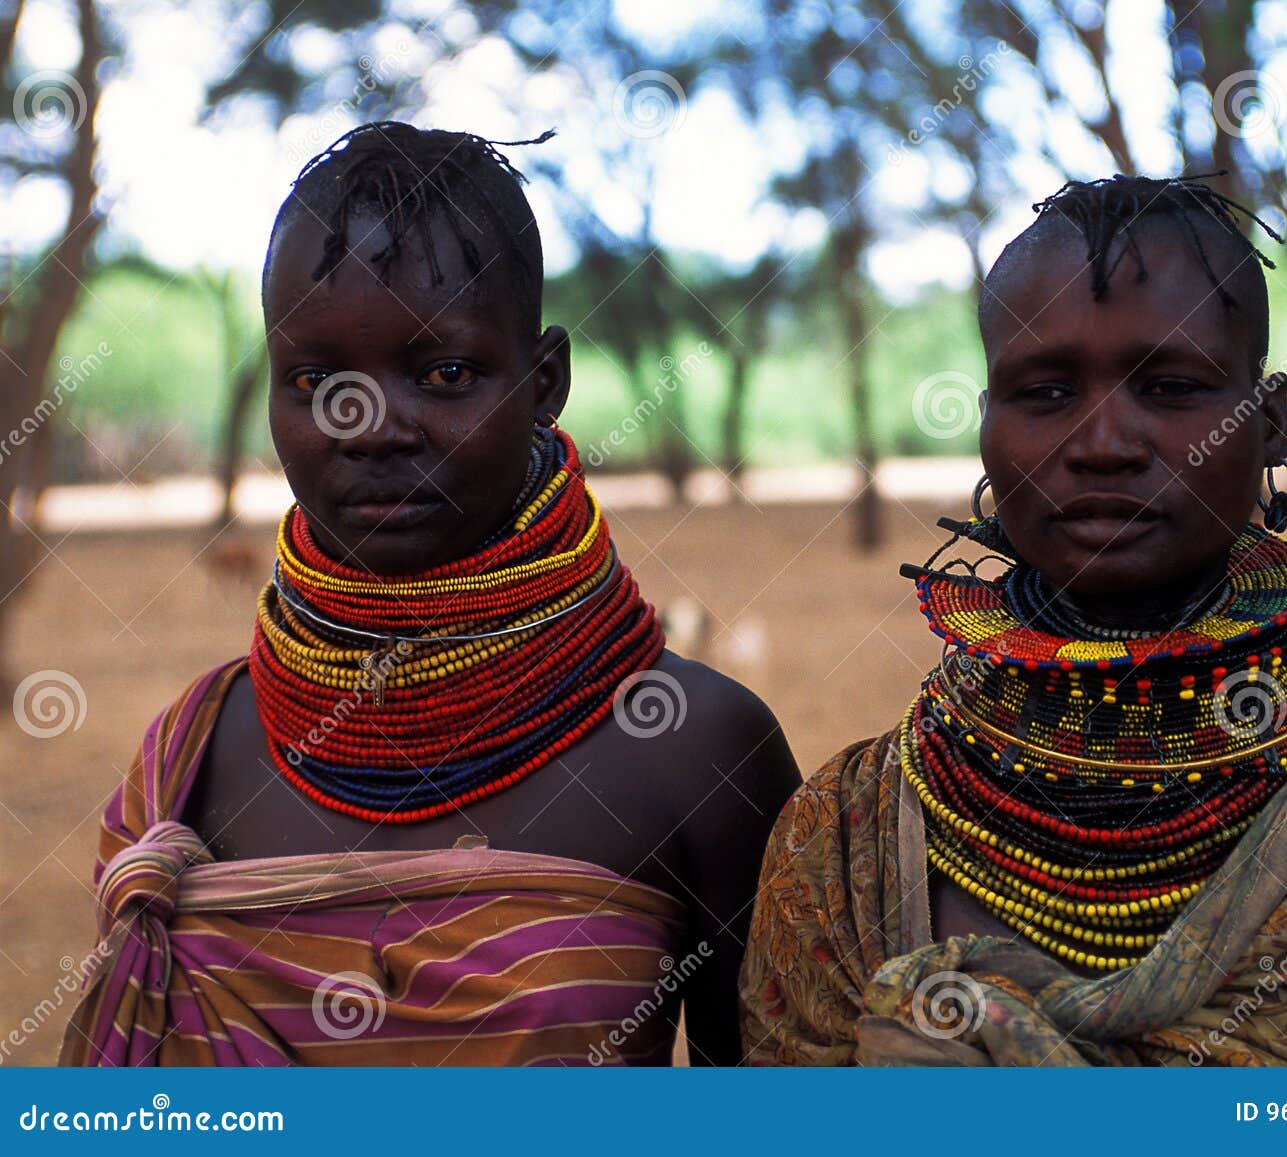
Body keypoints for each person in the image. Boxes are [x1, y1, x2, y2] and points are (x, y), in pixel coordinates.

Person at [738, 174, 1287, 1067]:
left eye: (1171, 386)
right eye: (1044, 392)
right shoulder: (836, 850)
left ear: (1271, 427)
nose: (1102, 442)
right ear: (986, 429)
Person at [61, 122, 800, 1067]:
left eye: (445, 372)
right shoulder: (190, 758)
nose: (370, 427)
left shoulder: (698, 748)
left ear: (545, 382)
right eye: (318, 378)